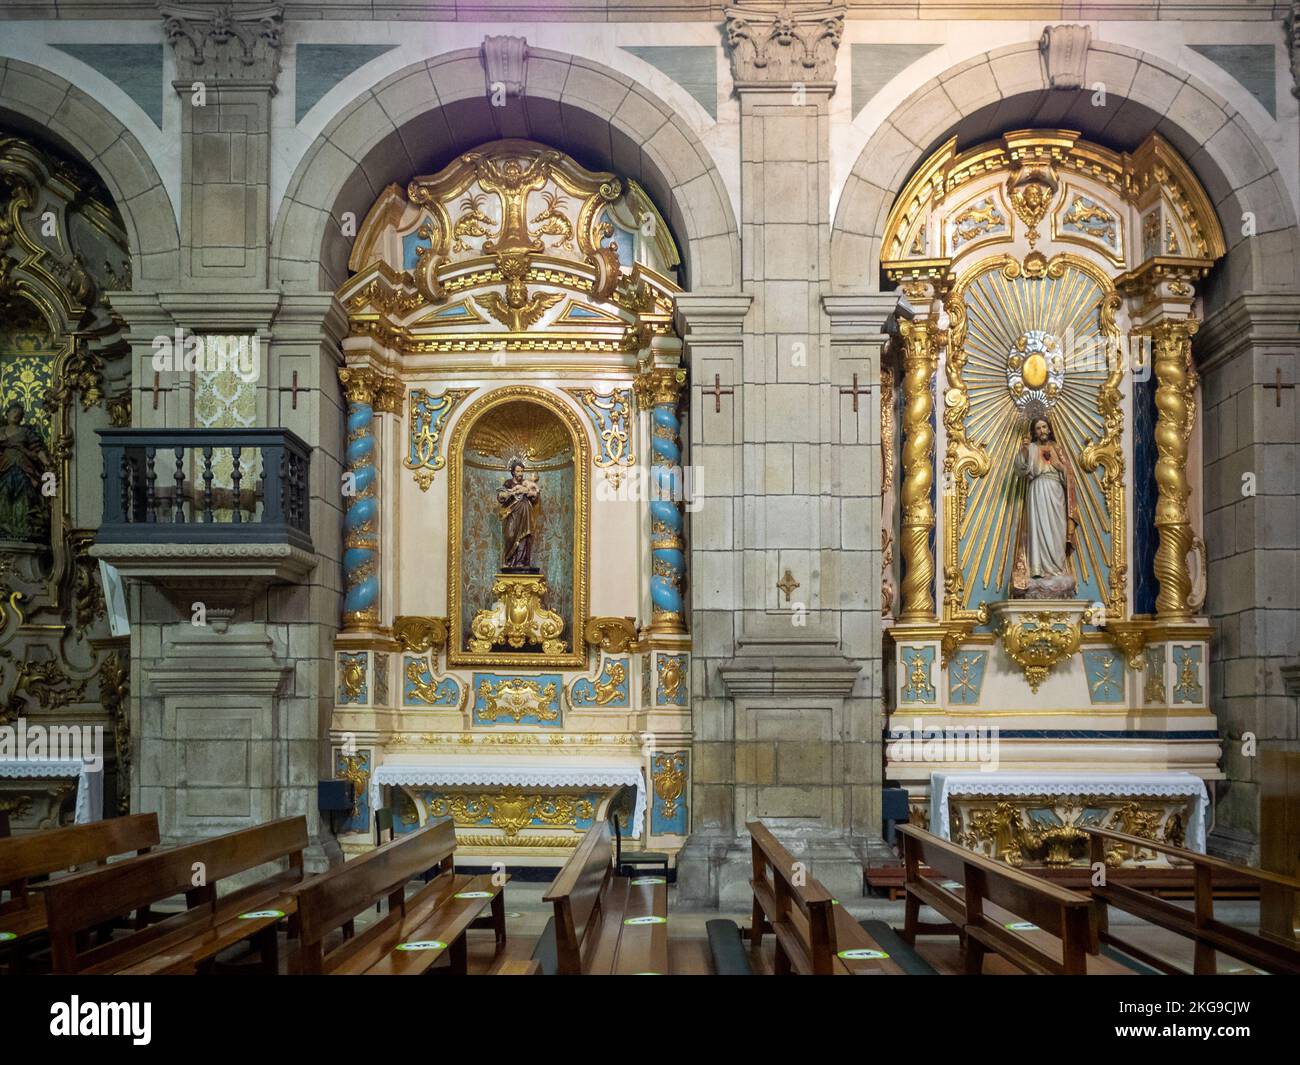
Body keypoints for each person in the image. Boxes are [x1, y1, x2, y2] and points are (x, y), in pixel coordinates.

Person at [1010, 415, 1078, 598]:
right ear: (1034, 432)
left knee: (1057, 530)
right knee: (1038, 530)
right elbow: (1019, 469)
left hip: (1056, 492)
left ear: (1050, 429)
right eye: (1038, 428)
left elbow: (1070, 476)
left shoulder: (1058, 449)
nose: (1042, 431)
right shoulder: (1031, 448)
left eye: (1044, 427)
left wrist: (1060, 467)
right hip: (1038, 490)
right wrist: (1024, 451)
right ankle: (1038, 570)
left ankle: (1056, 569)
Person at [497, 457, 540, 569]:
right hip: (512, 515)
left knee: (524, 538)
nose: (520, 473)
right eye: (518, 471)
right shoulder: (508, 483)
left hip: (525, 515)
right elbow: (501, 497)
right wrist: (509, 494)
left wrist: (532, 493)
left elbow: (535, 498)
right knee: (510, 535)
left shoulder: (526, 484)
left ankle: (521, 563)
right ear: (513, 472)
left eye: (521, 471)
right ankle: (509, 561)